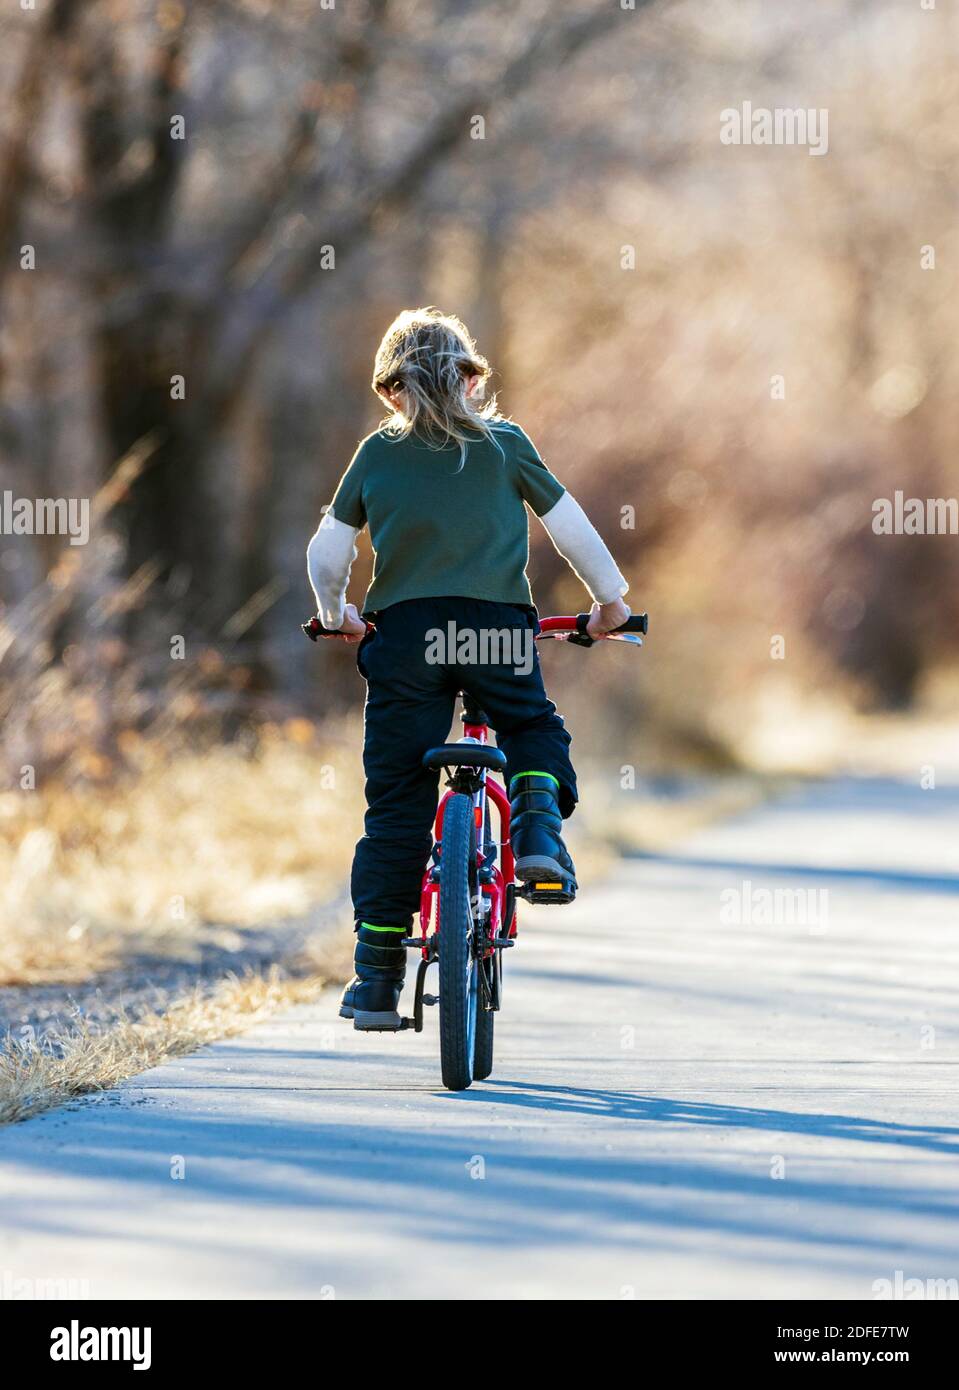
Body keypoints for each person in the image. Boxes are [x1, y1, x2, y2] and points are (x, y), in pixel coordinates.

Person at [307, 307, 630, 1029]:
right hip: (494, 632)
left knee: (396, 804)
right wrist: (608, 603)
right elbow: (570, 528)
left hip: (406, 639)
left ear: (390, 391)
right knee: (528, 725)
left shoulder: (376, 453)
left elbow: (326, 555)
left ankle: (377, 980)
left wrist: (336, 613)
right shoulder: (505, 444)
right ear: (473, 381)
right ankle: (539, 836)